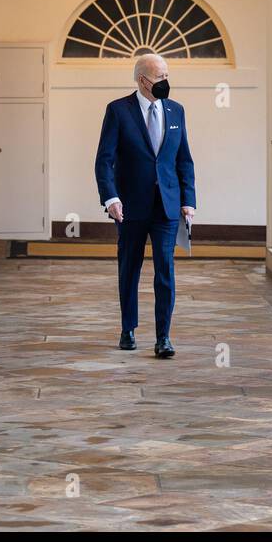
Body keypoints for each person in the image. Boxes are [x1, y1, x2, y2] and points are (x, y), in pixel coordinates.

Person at [93, 53, 196, 358]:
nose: (166, 81)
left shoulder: (176, 111)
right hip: (130, 208)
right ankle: (128, 329)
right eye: (160, 77)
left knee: (165, 271)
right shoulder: (118, 111)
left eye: (167, 75)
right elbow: (104, 160)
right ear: (142, 80)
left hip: (167, 206)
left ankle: (163, 336)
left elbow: (184, 160)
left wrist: (188, 200)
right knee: (130, 268)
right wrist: (111, 198)